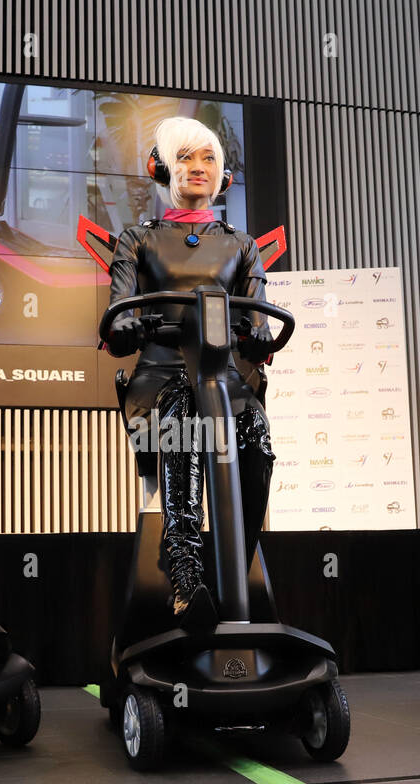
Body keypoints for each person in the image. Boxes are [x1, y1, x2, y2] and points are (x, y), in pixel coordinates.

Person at [103, 116, 276, 621]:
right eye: (185, 158)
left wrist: (258, 336)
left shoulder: (242, 246)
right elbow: (119, 313)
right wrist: (127, 328)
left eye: (208, 160)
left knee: (257, 438)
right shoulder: (137, 239)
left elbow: (257, 311)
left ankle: (232, 571)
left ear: (223, 176)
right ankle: (184, 575)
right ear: (162, 169)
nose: (197, 168)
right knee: (183, 411)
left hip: (226, 382)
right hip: (159, 378)